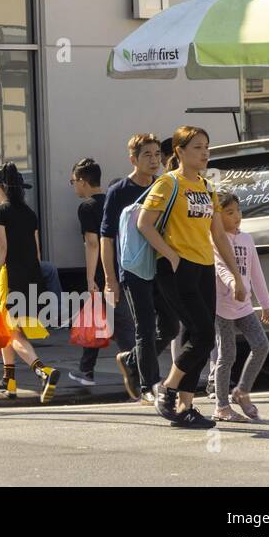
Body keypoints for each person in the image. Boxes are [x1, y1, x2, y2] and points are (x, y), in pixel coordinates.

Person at [137, 126, 244, 429]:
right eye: (197, 147)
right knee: (203, 335)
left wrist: (236, 275)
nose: (205, 152)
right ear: (180, 152)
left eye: (207, 146)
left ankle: (186, 406)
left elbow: (219, 235)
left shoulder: (206, 187)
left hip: (203, 267)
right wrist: (170, 254)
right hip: (176, 267)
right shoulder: (168, 184)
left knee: (199, 335)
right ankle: (168, 389)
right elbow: (144, 224)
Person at [100, 133, 175, 405]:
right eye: (147, 155)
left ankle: (131, 359)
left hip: (161, 266)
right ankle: (149, 385)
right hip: (132, 269)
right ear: (133, 159)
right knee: (143, 326)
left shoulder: (163, 186)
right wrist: (110, 279)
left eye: (157, 154)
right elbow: (106, 237)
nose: (155, 160)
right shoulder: (119, 191)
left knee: (170, 326)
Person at [0, 162, 60, 403]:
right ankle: (9, 380)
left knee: (13, 333)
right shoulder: (29, 213)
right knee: (12, 329)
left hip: (10, 275)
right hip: (32, 274)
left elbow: (1, 248)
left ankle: (43, 371)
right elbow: (36, 251)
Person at [67, 157, 135, 388]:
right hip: (121, 267)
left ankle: (137, 370)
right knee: (100, 322)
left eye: (73, 181)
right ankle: (86, 370)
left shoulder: (87, 207)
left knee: (121, 324)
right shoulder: (110, 201)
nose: (73, 185)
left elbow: (92, 243)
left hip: (102, 273)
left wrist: (89, 278)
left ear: (83, 181)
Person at [213, 191, 269, 421]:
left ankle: (242, 392)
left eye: (238, 210)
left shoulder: (247, 239)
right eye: (229, 212)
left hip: (244, 305)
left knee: (261, 345)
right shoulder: (216, 238)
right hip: (222, 306)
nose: (236, 216)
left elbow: (256, 273)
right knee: (226, 355)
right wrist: (233, 284)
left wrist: (265, 304)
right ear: (218, 216)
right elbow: (220, 267)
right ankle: (221, 406)